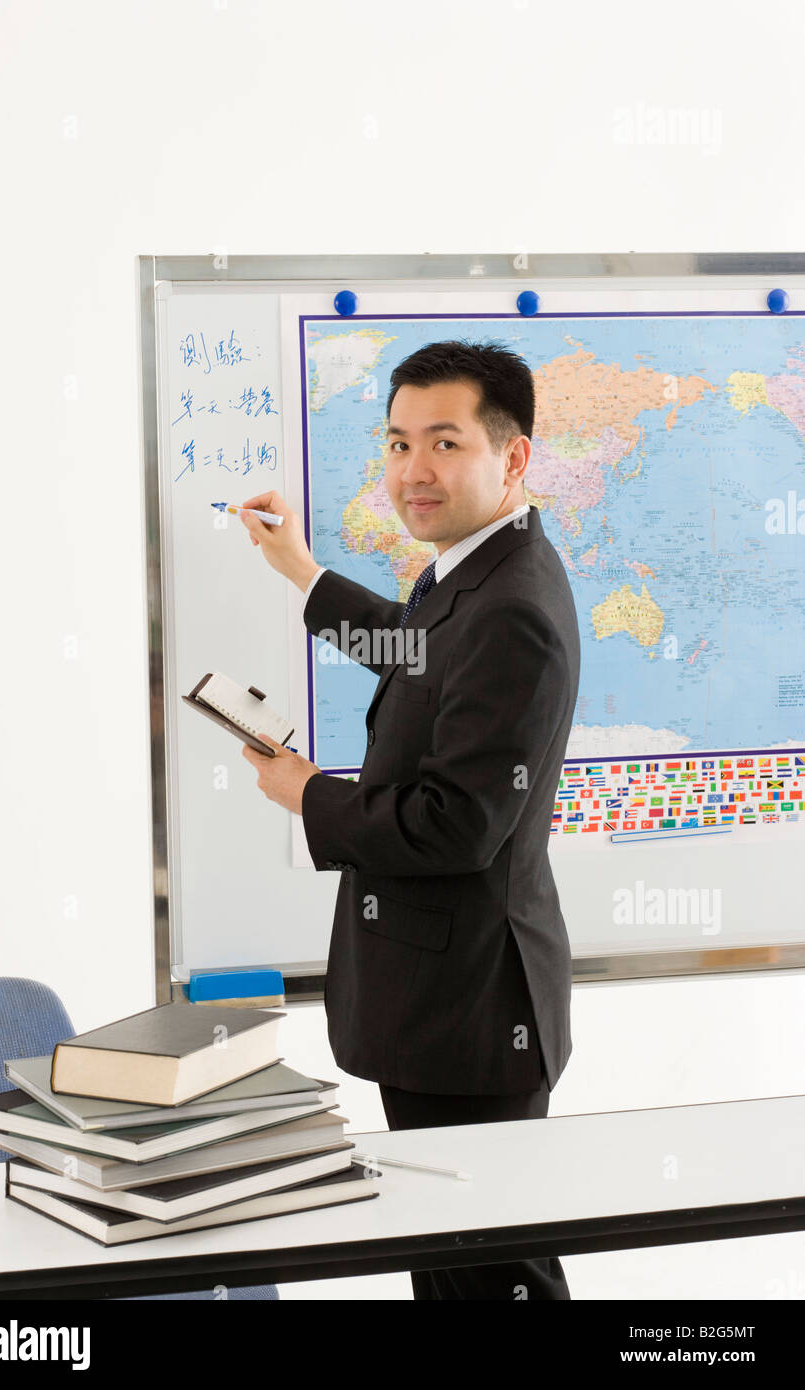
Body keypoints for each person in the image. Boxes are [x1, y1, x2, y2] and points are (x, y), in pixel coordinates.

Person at [238, 339, 580, 1300]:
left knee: (489, 1276)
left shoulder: (513, 606)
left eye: (443, 442)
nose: (411, 471)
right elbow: (417, 653)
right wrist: (303, 574)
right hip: (450, 1000)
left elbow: (456, 824)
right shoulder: (470, 570)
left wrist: (308, 793)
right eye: (395, 443)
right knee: (452, 1264)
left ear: (512, 459)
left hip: (471, 1013)